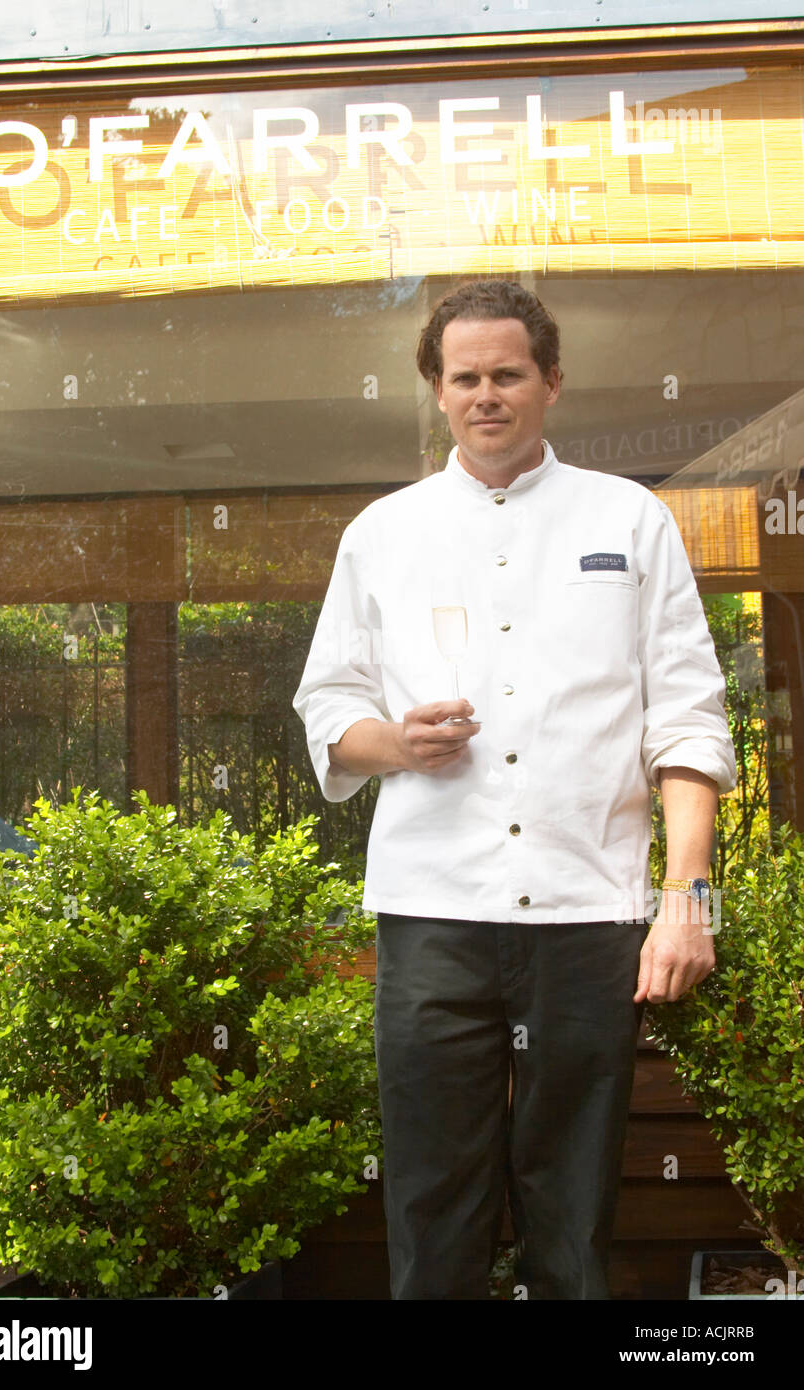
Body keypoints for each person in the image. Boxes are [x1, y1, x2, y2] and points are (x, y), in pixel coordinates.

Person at [292, 279, 736, 1300]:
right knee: (430, 1201)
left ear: (549, 384)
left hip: (590, 915)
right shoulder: (381, 533)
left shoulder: (628, 520)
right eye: (464, 378)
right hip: (429, 914)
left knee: (573, 1209)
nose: (484, 393)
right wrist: (396, 747)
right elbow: (331, 714)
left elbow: (687, 720)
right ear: (435, 392)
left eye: (506, 374)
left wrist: (688, 902)